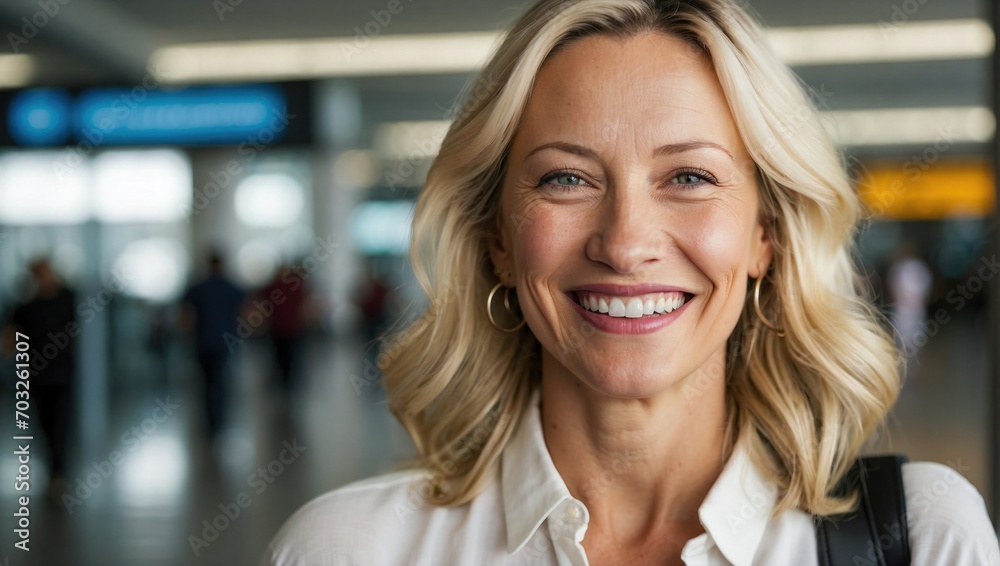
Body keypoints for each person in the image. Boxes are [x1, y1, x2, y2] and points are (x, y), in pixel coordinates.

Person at [262, 1, 1000, 564]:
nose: (624, 243)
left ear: (765, 236)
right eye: (566, 178)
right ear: (497, 243)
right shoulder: (350, 548)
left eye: (688, 176)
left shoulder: (920, 536)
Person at [2, 259, 76, 503]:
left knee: (62, 425)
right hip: (37, 377)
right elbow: (10, 340)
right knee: (44, 425)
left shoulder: (68, 300)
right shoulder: (26, 307)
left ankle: (59, 473)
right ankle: (53, 470)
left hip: (63, 375)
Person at [181, 252, 245, 439]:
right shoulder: (232, 288)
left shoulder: (197, 288)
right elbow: (244, 313)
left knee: (206, 381)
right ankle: (220, 418)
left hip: (203, 341)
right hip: (225, 342)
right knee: (221, 380)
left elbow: (186, 316)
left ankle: (210, 419)